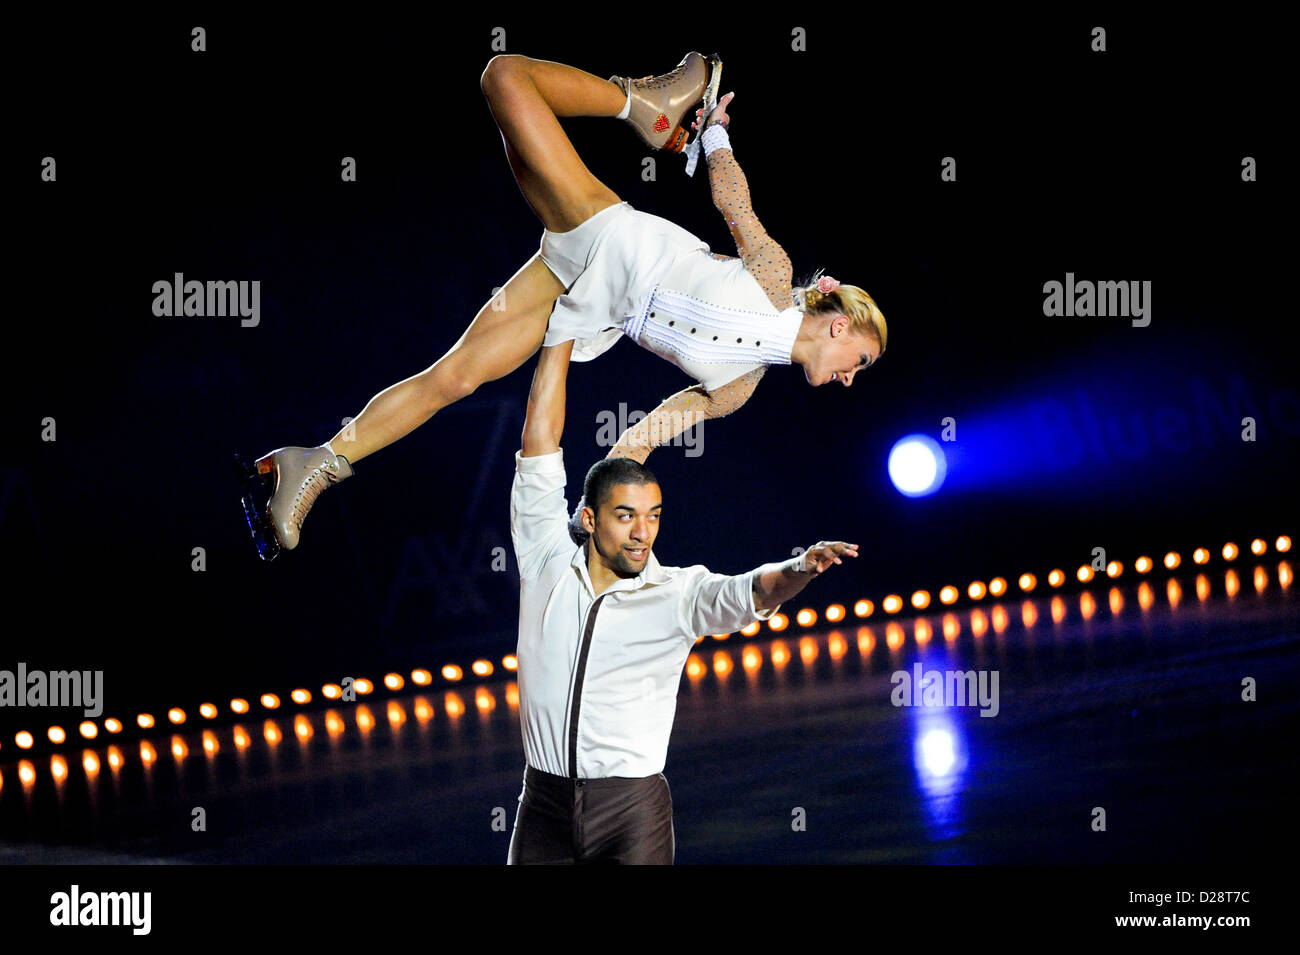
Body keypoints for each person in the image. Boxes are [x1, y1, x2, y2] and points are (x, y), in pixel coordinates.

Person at [240, 51, 887, 558]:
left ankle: (312, 464)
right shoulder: (775, 282)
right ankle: (649, 104)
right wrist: (713, 135)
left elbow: (640, 438)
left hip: (587, 299)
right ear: (838, 322)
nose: (850, 378)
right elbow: (733, 202)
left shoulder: (739, 387)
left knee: (456, 377)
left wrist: (601, 513)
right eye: (857, 360)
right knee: (504, 77)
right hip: (609, 235)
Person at [507, 339, 858, 863]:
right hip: (543, 804)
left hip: (631, 809)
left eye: (653, 516)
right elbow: (539, 438)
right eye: (626, 515)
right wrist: (561, 333)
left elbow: (750, 592)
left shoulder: (678, 593)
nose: (642, 532)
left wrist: (800, 567)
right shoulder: (544, 558)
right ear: (589, 518)